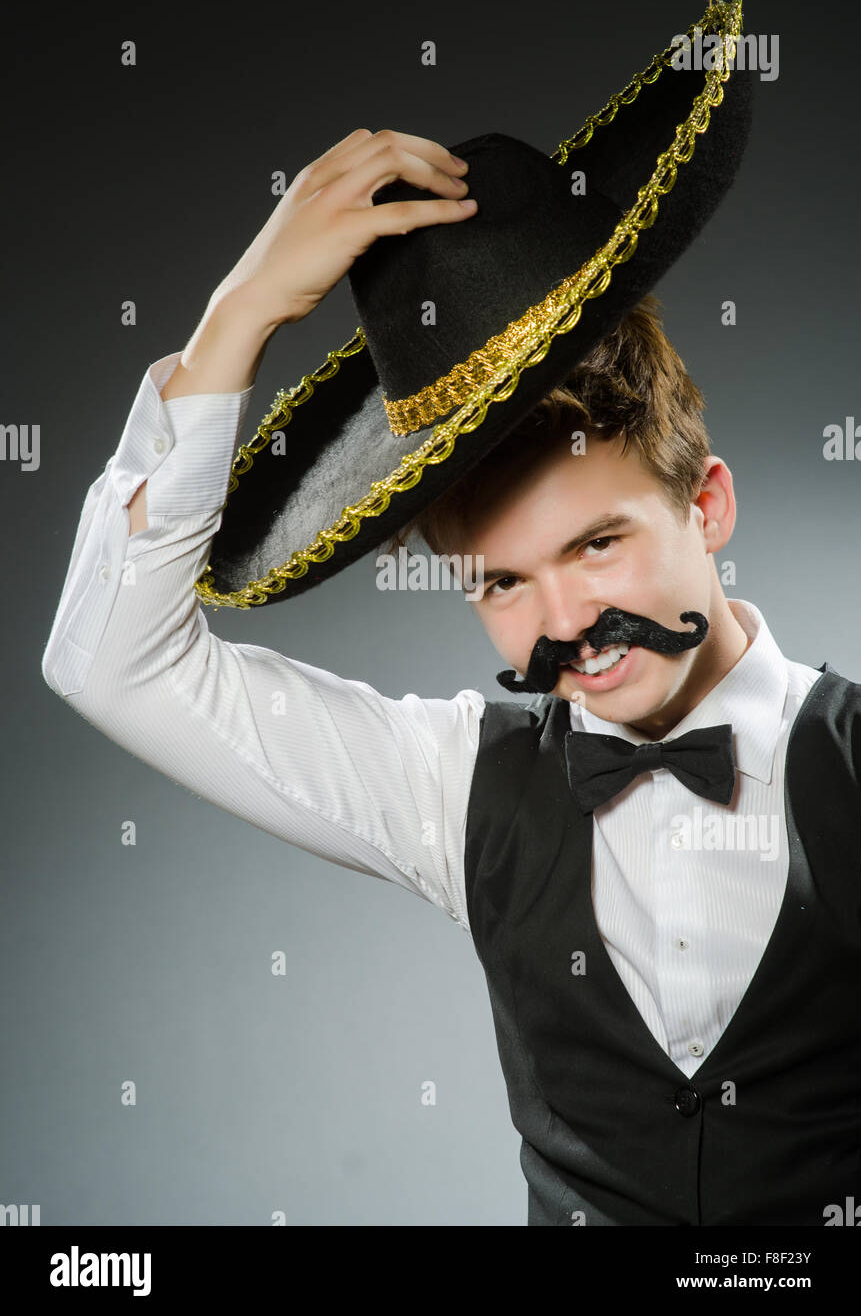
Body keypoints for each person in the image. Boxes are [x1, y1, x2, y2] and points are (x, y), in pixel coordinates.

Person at [41, 126, 861, 1227]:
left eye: (597, 545)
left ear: (706, 504)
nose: (571, 624)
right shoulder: (452, 786)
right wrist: (236, 318)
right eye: (506, 582)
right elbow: (110, 661)